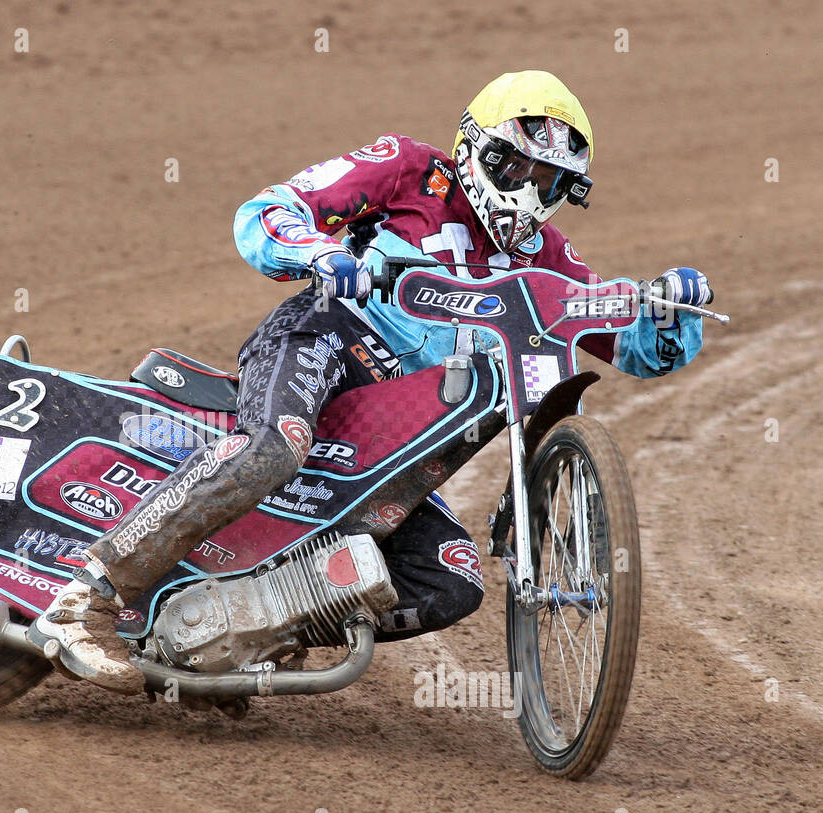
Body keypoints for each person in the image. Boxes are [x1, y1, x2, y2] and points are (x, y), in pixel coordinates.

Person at [37, 70, 712, 695]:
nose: (528, 194)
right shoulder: (409, 169)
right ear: (474, 147)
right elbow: (267, 212)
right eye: (517, 167)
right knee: (276, 445)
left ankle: (238, 639)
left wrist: (668, 309)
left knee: (451, 578)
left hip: (397, 434)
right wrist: (324, 252)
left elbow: (636, 350)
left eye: (551, 182)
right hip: (324, 337)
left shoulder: (550, 260)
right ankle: (86, 599)